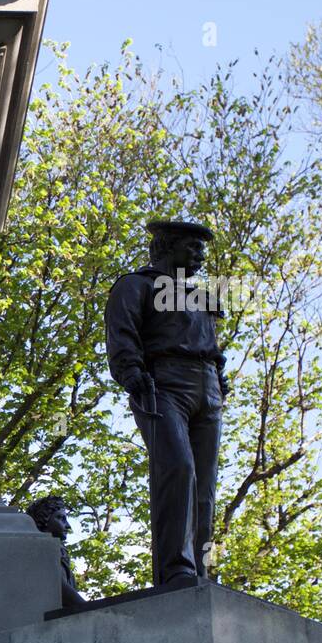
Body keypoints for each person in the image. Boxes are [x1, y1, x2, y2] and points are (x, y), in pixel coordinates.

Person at [105, 219, 227, 587]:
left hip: (207, 390)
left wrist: (219, 382)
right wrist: (131, 373)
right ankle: (177, 568)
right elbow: (122, 333)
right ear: (166, 247)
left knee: (204, 487)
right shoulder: (135, 285)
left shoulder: (201, 298)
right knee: (178, 469)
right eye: (191, 247)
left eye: (201, 250)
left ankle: (199, 569)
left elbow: (213, 350)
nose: (200, 255)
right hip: (164, 384)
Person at [26, 496, 87, 609]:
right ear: (43, 520)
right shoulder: (40, 552)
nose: (68, 526)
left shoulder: (59, 552)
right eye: (61, 518)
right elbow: (60, 588)